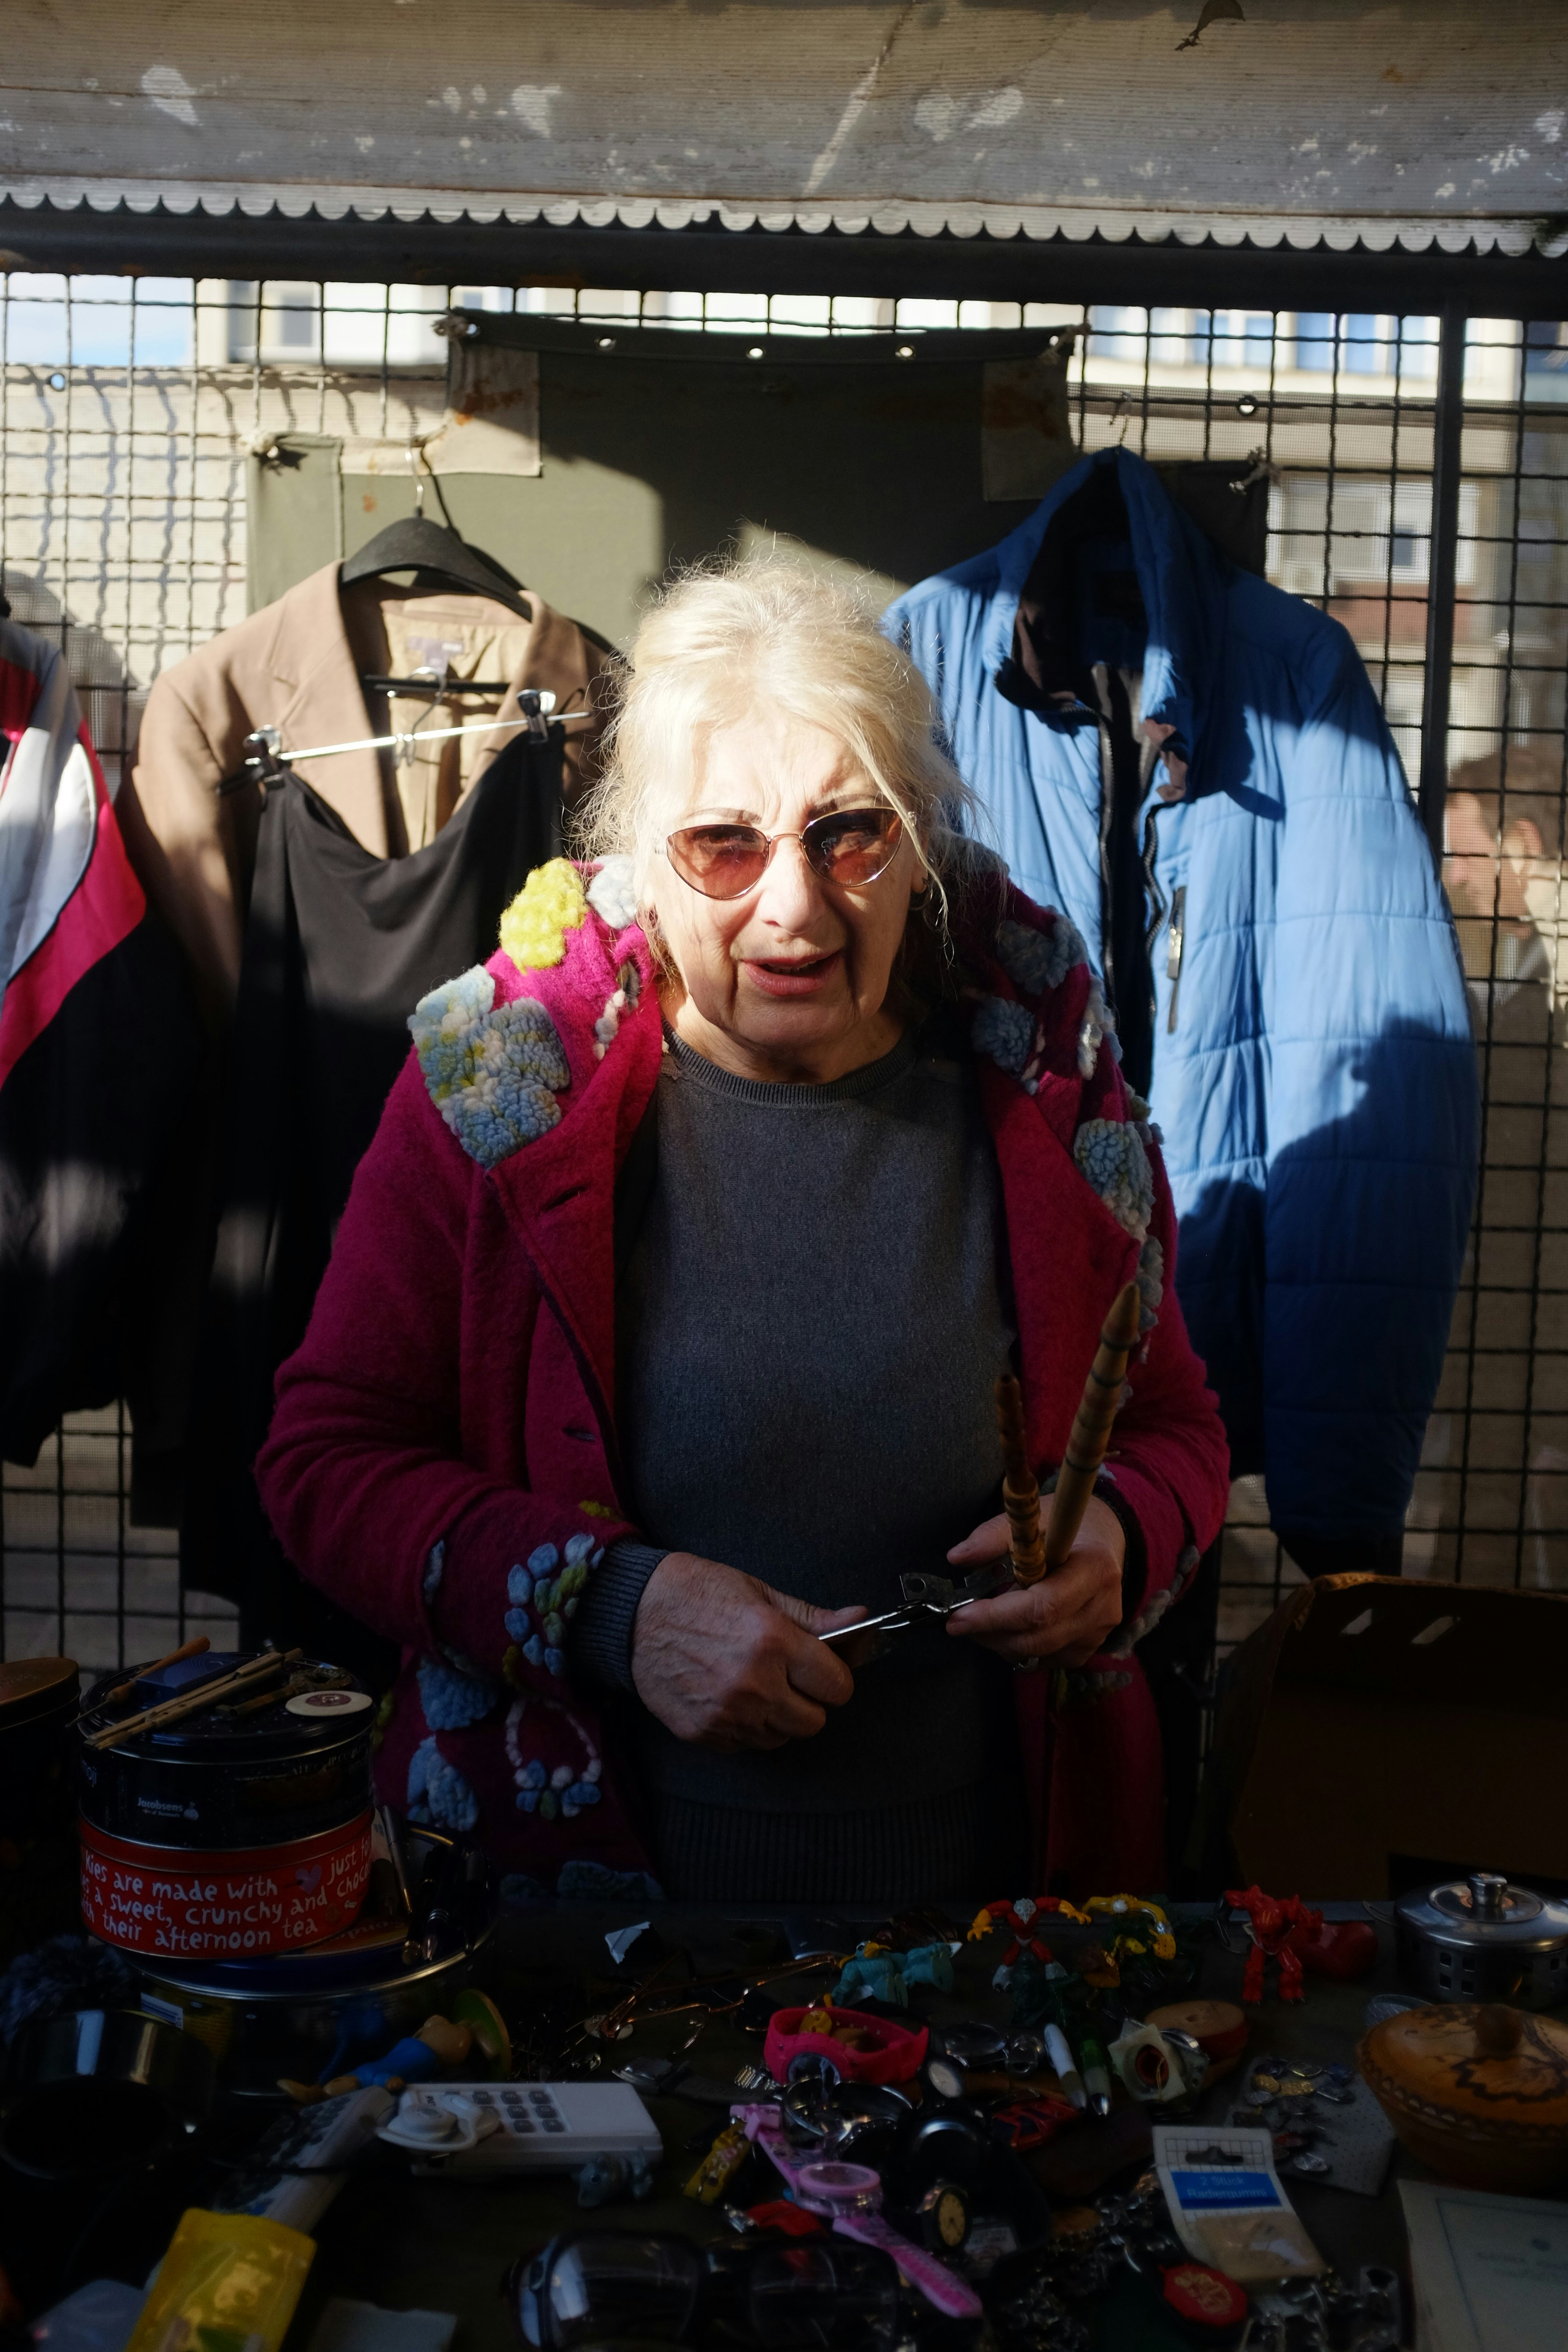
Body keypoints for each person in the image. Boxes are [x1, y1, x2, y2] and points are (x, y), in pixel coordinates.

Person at [257, 560, 1229, 1907]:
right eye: (725, 844)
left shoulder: (1047, 1076)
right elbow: (325, 1464)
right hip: (594, 1954)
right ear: (640, 856)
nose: (795, 909)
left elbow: (1176, 1425)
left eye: (850, 834)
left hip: (1004, 1934)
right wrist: (614, 1609)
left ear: (920, 844)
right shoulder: (499, 1087)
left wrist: (1119, 1535)